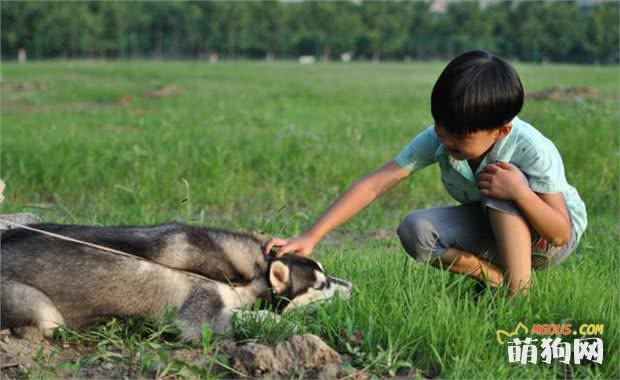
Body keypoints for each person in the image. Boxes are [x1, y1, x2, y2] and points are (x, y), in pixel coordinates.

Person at [263, 50, 587, 297]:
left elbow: (559, 232)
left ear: (501, 131)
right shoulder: (442, 138)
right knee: (416, 230)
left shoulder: (531, 148)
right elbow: (375, 184)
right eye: (440, 127)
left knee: (501, 183)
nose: (445, 141)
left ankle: (519, 298)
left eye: (459, 138)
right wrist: (311, 235)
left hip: (548, 242)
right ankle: (494, 278)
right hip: (495, 228)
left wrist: (520, 192)